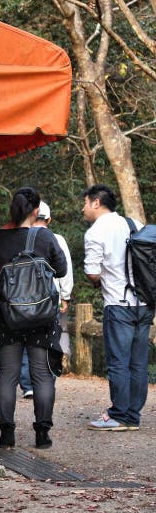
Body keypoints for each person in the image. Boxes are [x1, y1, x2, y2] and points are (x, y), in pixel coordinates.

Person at [0, 187, 68, 449]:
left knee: (7, 374)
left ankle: (6, 433)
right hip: (40, 316)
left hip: (6, 315)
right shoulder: (44, 236)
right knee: (42, 375)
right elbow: (61, 269)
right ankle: (42, 434)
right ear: (35, 211)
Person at [82, 184, 155, 431]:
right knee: (138, 362)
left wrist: (106, 278)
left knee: (118, 363)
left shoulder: (95, 232)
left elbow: (92, 272)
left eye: (85, 203)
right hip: (144, 303)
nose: (83, 209)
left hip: (118, 304)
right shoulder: (133, 223)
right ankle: (132, 415)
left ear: (95, 202)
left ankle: (120, 415)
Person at [19, 201, 74, 398]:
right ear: (49, 219)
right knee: (50, 338)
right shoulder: (56, 238)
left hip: (22, 299)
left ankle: (28, 384)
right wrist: (66, 295)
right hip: (50, 298)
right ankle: (46, 382)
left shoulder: (19, 236)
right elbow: (65, 270)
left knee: (25, 338)